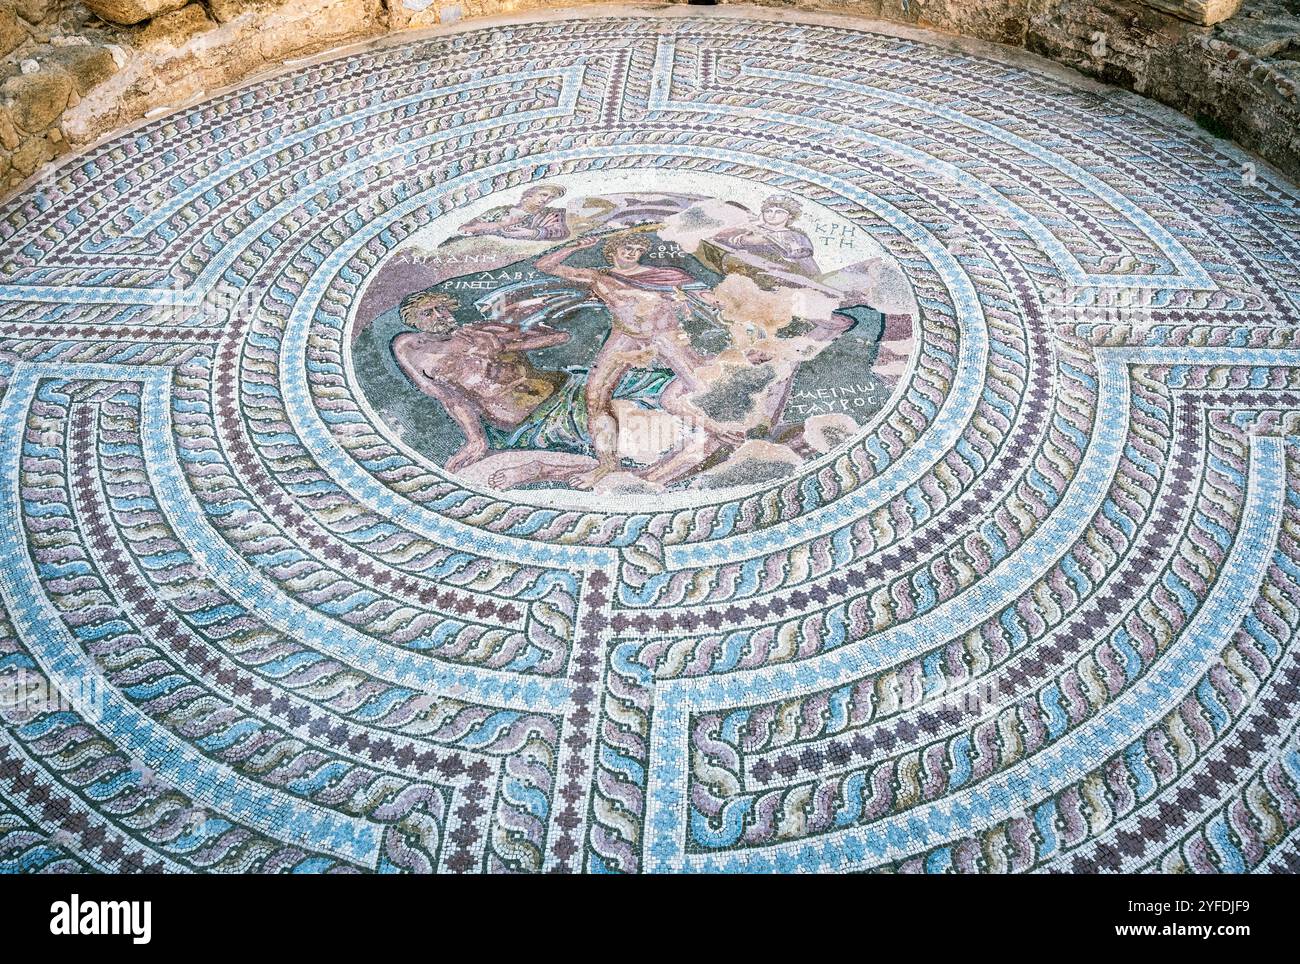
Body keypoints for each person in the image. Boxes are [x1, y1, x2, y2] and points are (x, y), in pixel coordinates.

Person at [534, 231, 718, 487]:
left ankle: (717, 433)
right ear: (612, 251)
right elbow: (545, 266)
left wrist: (731, 305)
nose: (631, 253)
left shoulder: (665, 276)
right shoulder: (599, 277)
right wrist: (576, 245)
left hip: (664, 335)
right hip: (625, 336)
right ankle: (607, 463)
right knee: (595, 397)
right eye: (626, 248)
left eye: (636, 249)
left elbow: (707, 297)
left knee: (700, 387)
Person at [390, 290, 571, 472]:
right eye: (428, 313)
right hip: (517, 425)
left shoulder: (481, 331)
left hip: (560, 396)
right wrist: (475, 439)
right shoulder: (411, 347)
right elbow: (451, 398)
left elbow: (560, 337)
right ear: (413, 321)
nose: (439, 315)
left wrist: (504, 347)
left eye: (441, 308)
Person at [457, 185, 570, 241]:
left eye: (551, 197)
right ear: (530, 194)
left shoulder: (552, 213)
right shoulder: (499, 211)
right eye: (543, 194)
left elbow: (560, 232)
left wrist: (531, 233)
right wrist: (500, 225)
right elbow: (464, 229)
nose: (546, 200)